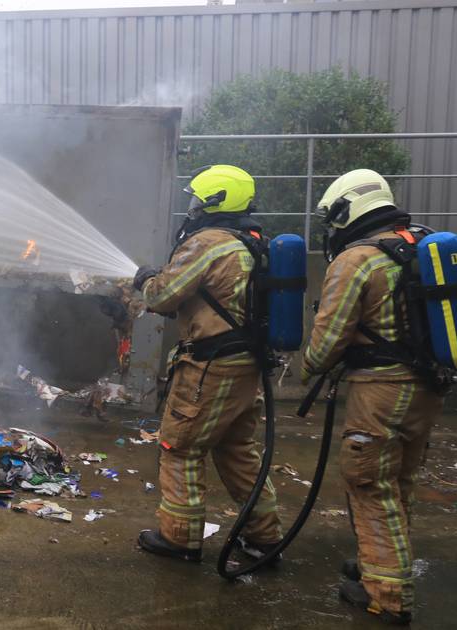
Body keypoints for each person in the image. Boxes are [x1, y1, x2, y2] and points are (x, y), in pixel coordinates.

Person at [302, 168, 439, 625]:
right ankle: (379, 561)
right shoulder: (422, 244)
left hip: (381, 392)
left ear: (348, 208)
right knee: (398, 481)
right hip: (427, 387)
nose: (333, 228)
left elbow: (327, 343)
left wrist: (305, 369)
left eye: (334, 217)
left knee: (368, 483)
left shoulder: (356, 260)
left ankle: (387, 594)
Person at [132, 164, 281, 562]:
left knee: (179, 447)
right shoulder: (253, 242)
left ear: (216, 199)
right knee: (237, 450)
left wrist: (146, 278)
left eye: (199, 198)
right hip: (247, 366)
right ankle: (265, 537)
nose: (193, 206)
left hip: (210, 367)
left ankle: (180, 538)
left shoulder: (208, 243)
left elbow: (163, 295)